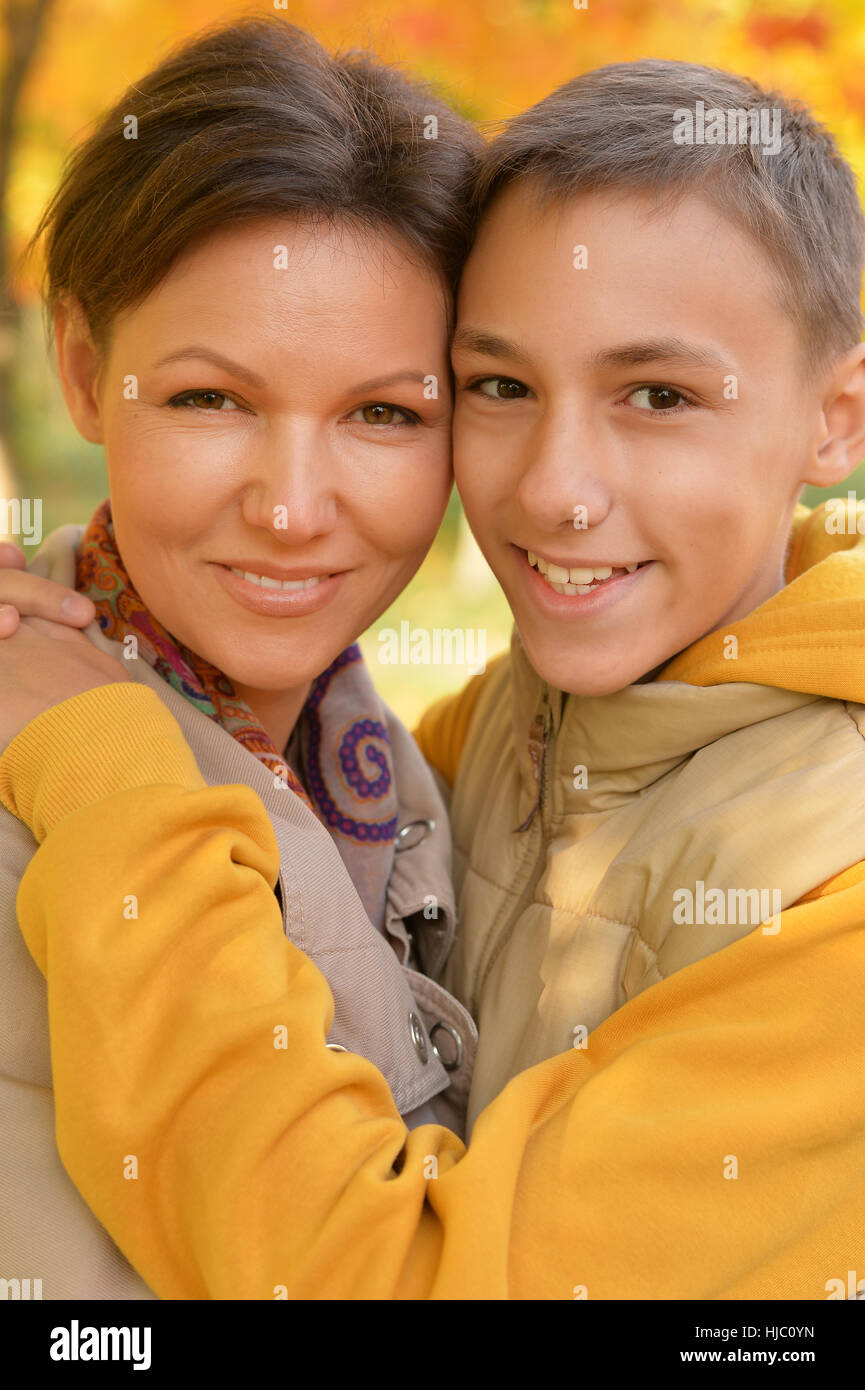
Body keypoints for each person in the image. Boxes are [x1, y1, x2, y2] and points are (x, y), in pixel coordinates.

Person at [3, 58, 865, 1299]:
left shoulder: (824, 886)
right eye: (501, 387)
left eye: (659, 395)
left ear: (836, 421)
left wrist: (110, 779)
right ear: (86, 373)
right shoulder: (494, 743)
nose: (558, 490)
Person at [0, 15, 484, 1300]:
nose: (289, 504)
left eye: (384, 413)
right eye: (214, 399)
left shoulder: (415, 778)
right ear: (87, 368)